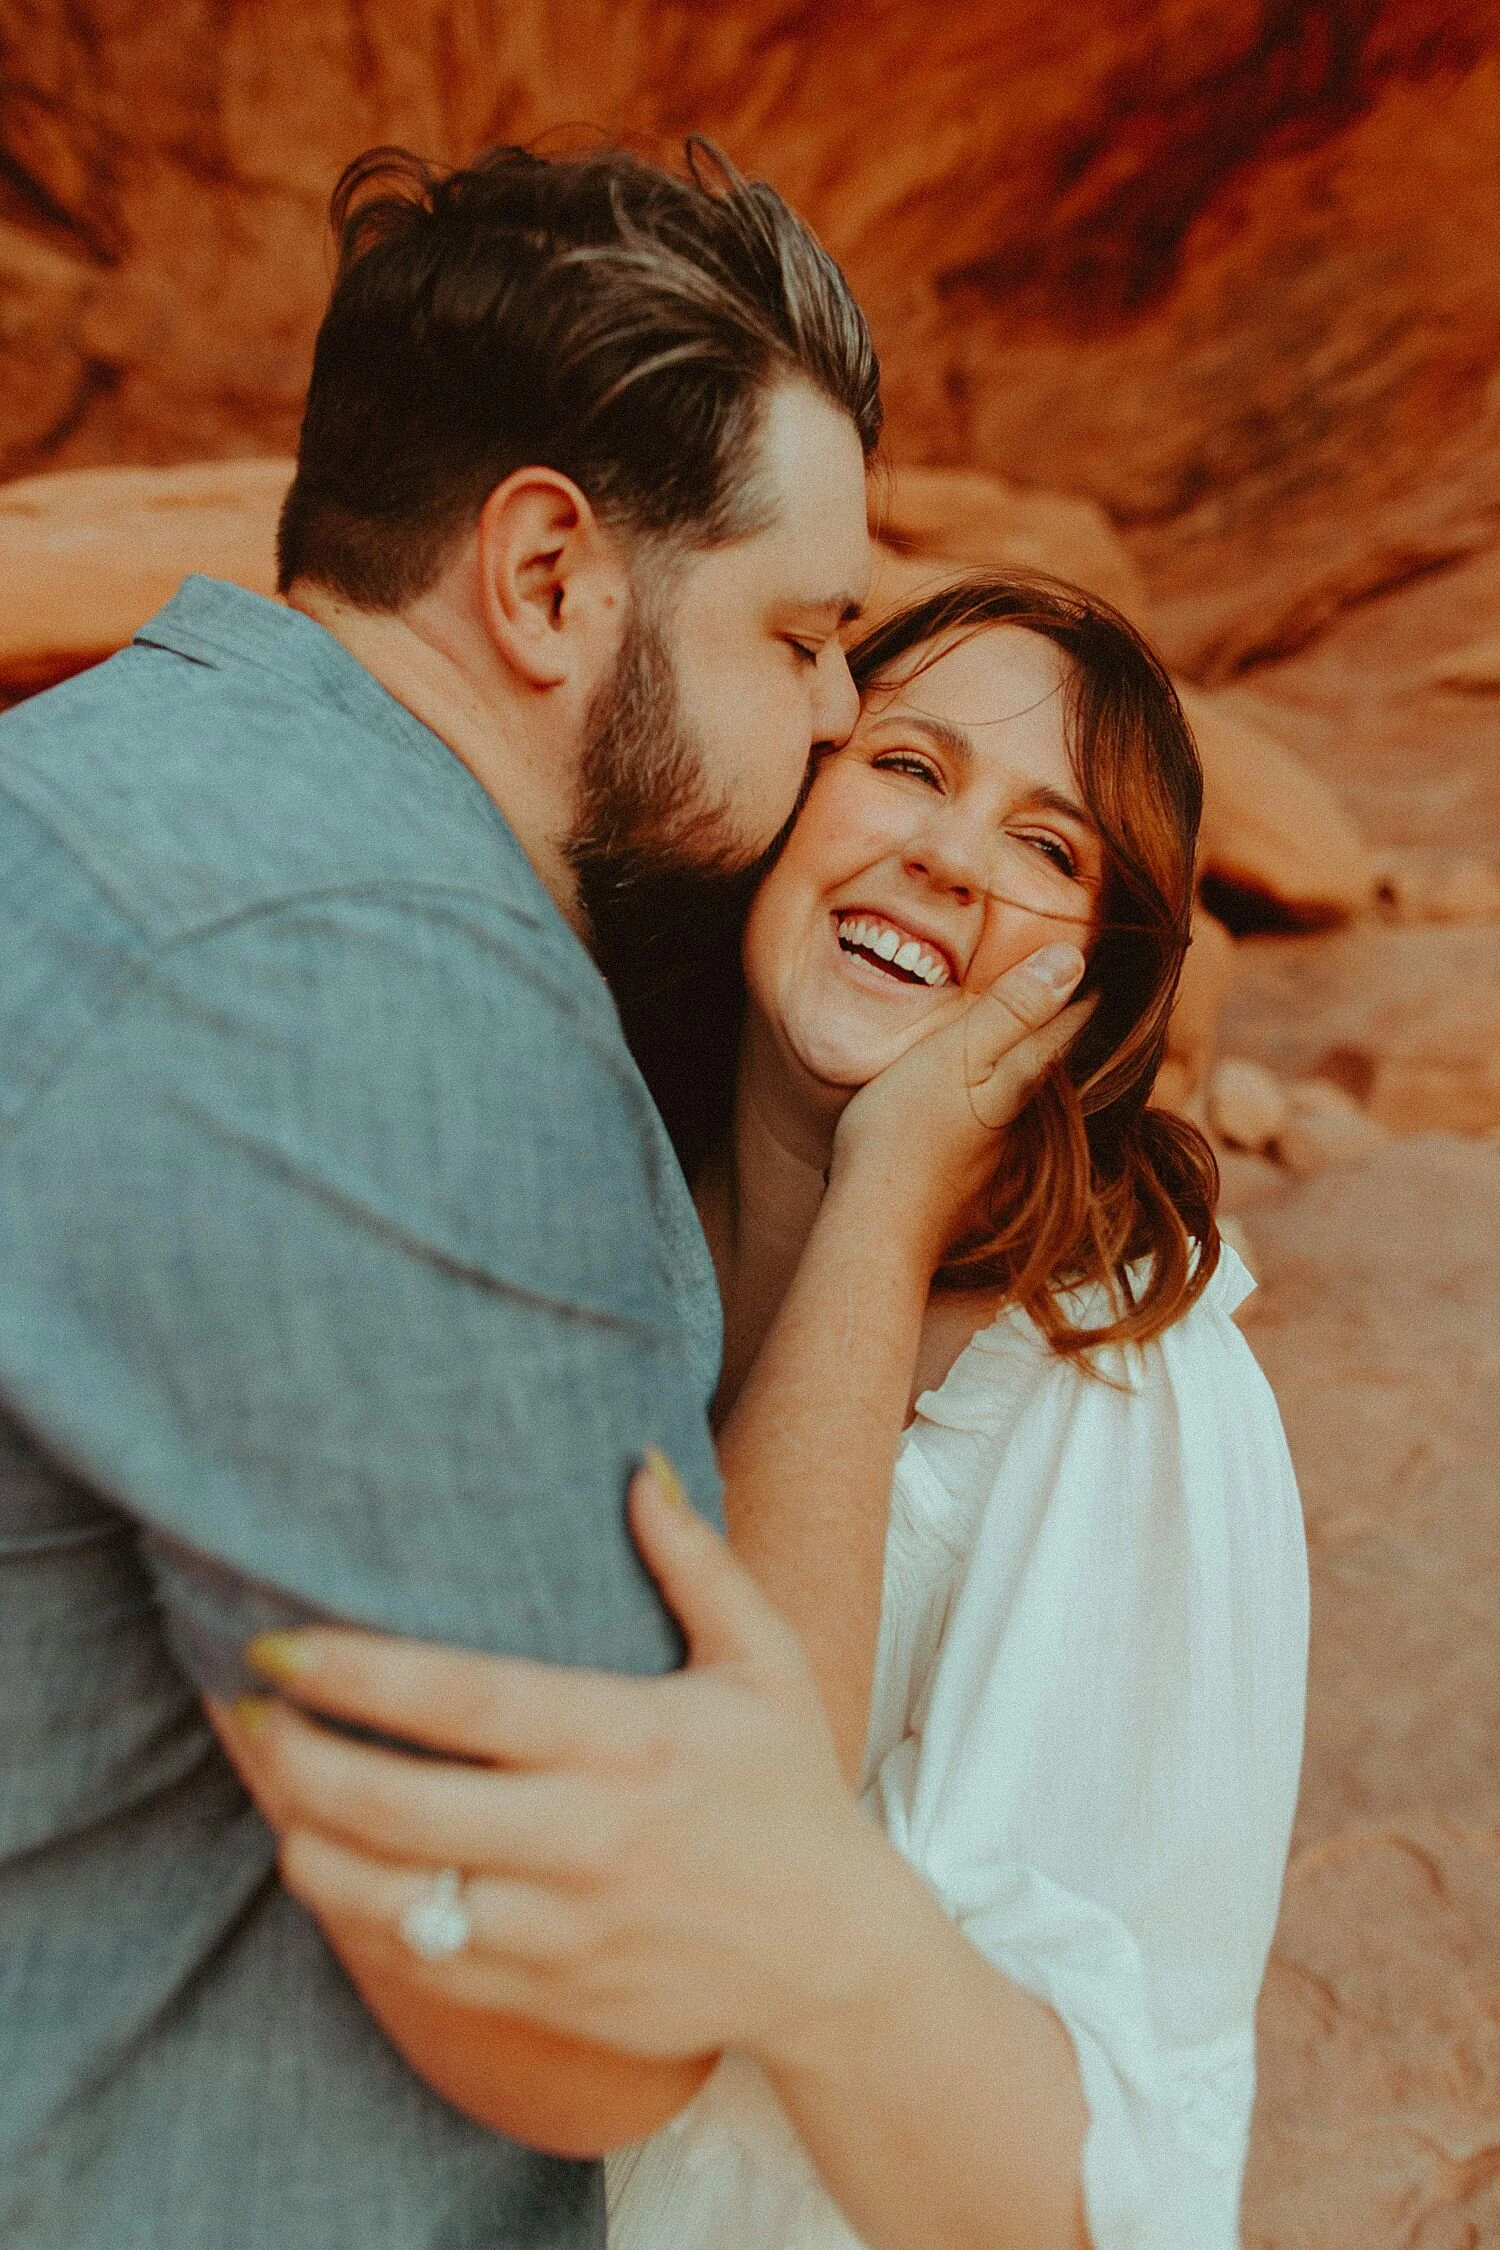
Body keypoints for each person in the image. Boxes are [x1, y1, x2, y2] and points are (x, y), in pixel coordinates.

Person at [0, 140, 1085, 2250]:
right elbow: (590, 2031)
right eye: (803, 631)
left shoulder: (92, 778)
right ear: (548, 580)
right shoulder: (394, 998)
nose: (842, 704)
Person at [218, 575, 1310, 2250]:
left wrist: (886, 1197)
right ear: (785, 793)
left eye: (1050, 850)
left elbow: (1100, 2209)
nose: (951, 856)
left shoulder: (1125, 1395)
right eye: (909, 765)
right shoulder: (553, 1205)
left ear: (1095, 988)